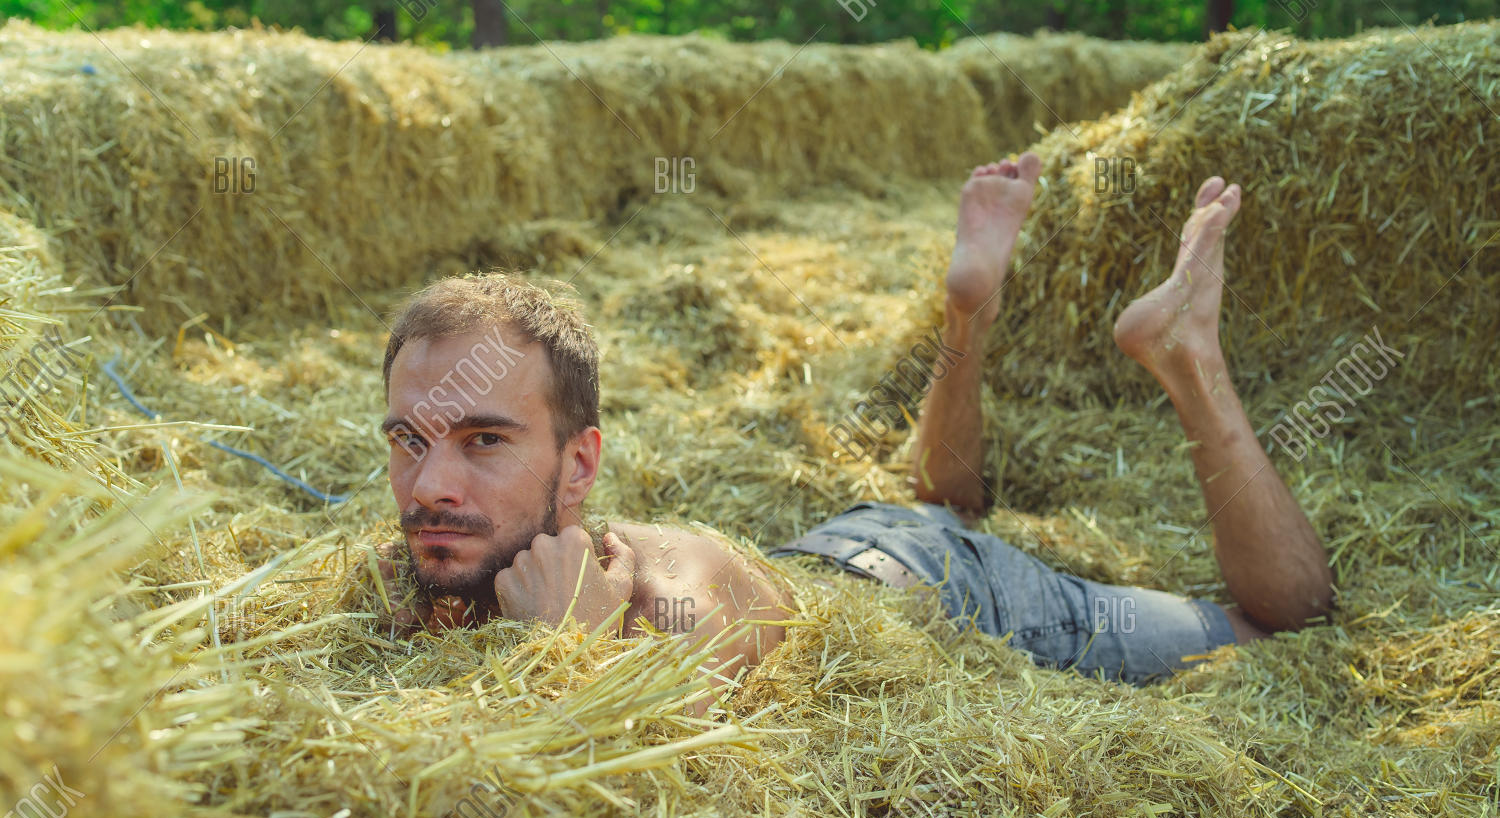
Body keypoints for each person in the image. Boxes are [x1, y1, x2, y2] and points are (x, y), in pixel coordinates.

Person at [375, 152, 1332, 689]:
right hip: (841, 546)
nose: (430, 488)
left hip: (957, 592)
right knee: (944, 495)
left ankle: (1190, 358)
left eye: (485, 440)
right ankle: (969, 314)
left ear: (580, 466)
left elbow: (674, 726)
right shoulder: (469, 561)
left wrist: (566, 652)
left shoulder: (652, 592)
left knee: (1282, 624)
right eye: (409, 441)